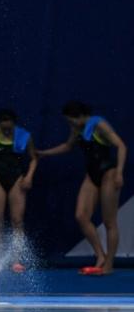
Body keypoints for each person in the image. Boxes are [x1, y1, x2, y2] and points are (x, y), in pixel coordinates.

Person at [37, 102, 126, 275]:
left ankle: (108, 265)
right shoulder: (77, 129)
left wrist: (120, 173)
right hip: (92, 175)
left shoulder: (99, 123)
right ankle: (100, 255)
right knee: (81, 216)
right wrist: (44, 153)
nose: (69, 124)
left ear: (79, 116)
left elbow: (121, 146)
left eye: (70, 120)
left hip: (109, 172)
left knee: (109, 221)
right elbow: (68, 146)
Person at [0, 109, 38, 272]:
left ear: (14, 124)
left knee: (17, 220)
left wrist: (29, 176)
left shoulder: (24, 136)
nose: (7, 130)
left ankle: (16, 259)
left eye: (9, 128)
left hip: (17, 179)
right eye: (4, 127)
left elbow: (34, 158)